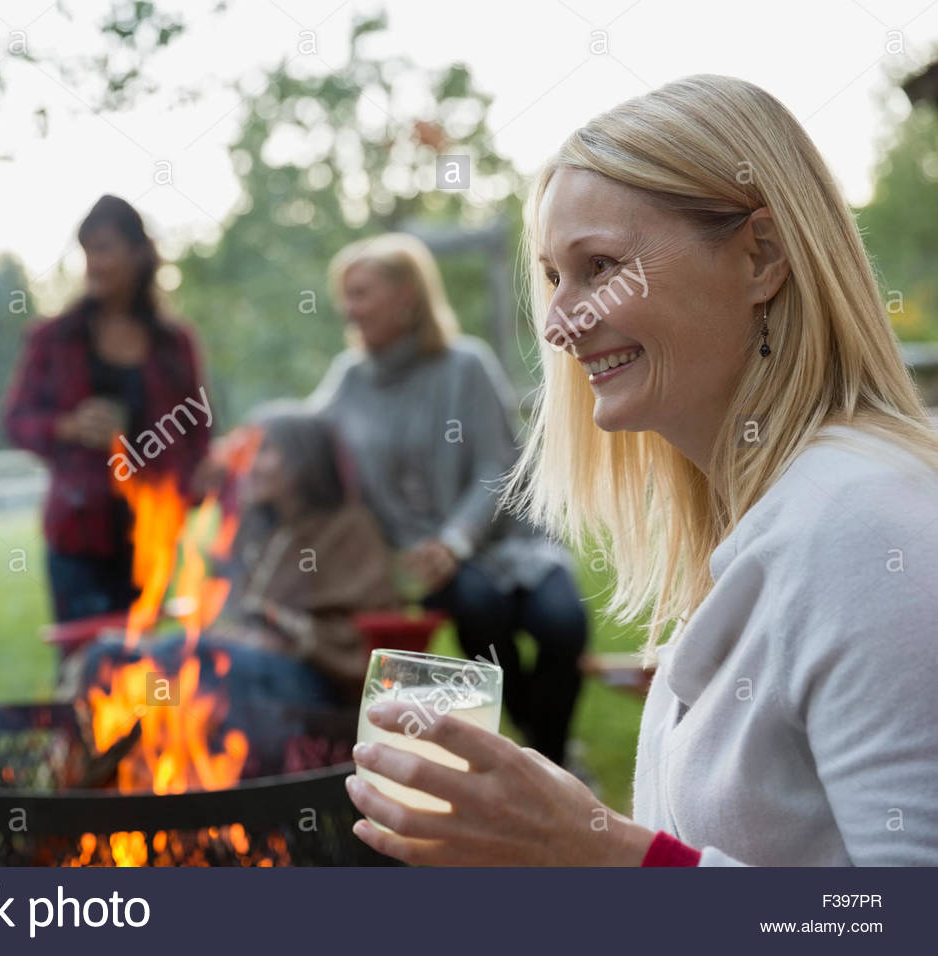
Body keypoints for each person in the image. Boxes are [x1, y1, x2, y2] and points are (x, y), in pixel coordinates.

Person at [345, 74, 938, 866]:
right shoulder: (777, 518)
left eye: (600, 266)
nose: (559, 323)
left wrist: (603, 859)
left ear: (761, 257)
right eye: (555, 278)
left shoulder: (863, 524)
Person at [307, 232, 589, 767]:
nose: (349, 309)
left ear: (408, 298)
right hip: (427, 562)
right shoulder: (350, 380)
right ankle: (546, 760)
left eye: (361, 293)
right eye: (346, 294)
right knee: (483, 609)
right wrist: (249, 446)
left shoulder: (466, 365)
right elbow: (305, 435)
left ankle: (548, 757)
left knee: (563, 622)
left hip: (510, 543)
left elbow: (496, 465)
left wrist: (456, 540)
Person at [71, 406, 399, 710]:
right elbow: (227, 612)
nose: (249, 463)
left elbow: (364, 634)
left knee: (195, 658)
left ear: (306, 459)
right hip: (239, 665)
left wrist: (283, 640)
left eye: (265, 450)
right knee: (108, 657)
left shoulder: (348, 529)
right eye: (246, 450)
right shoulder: (255, 531)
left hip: (316, 683)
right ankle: (128, 764)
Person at [2, 194, 211, 623]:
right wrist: (68, 427)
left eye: (104, 249)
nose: (93, 264)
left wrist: (191, 487)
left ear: (138, 253)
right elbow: (15, 421)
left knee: (137, 664)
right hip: (78, 534)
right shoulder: (53, 339)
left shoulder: (175, 343)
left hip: (151, 531)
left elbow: (199, 430)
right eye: (86, 252)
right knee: (84, 668)